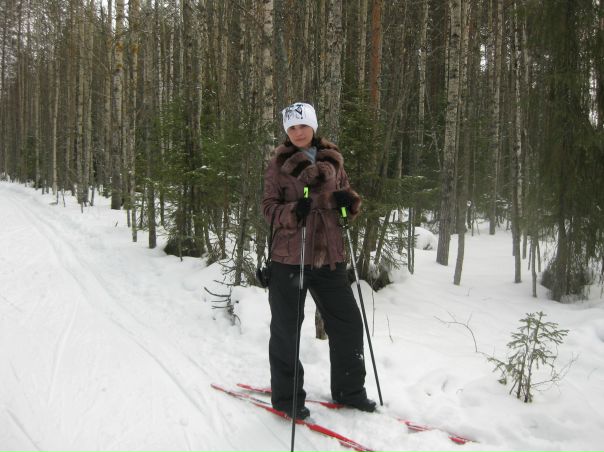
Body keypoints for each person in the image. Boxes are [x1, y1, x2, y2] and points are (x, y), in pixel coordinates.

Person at [261, 102, 376, 420]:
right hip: (290, 258)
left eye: (303, 126)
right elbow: (268, 208)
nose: (298, 132)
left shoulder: (332, 159)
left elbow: (346, 193)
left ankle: (349, 392)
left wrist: (349, 202)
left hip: (329, 257)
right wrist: (291, 211)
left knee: (348, 325)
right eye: (292, 127)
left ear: (313, 126)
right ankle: (287, 399)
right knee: (286, 331)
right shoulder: (277, 165)